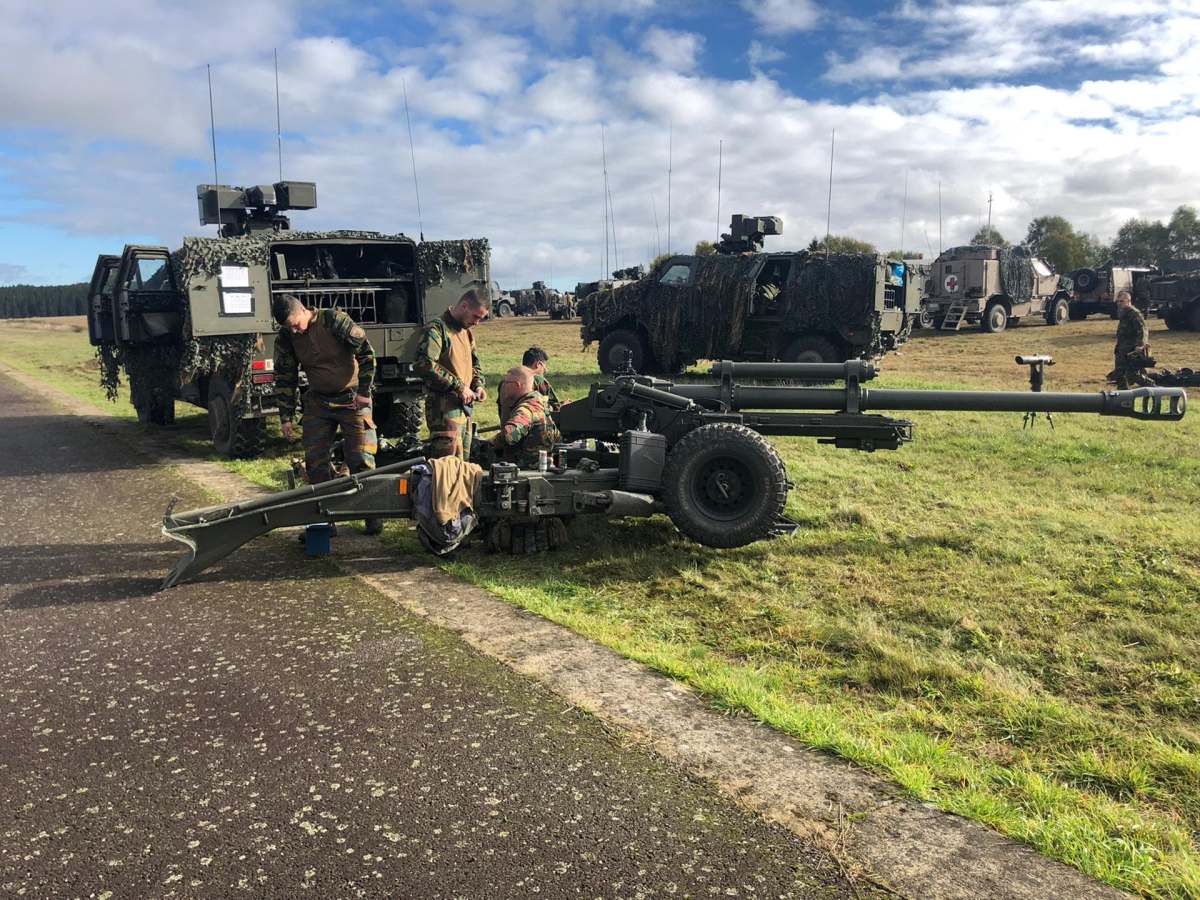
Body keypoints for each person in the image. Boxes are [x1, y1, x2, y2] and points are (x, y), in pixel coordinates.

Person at [273, 293, 381, 534]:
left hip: (352, 399)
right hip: (318, 403)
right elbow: (285, 376)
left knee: (360, 460)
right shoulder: (287, 336)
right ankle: (324, 521)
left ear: (303, 311)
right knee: (316, 463)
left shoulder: (334, 321)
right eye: (289, 328)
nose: (295, 331)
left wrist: (364, 391)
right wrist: (286, 417)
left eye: (295, 325)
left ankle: (372, 515)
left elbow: (367, 353)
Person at [415, 288, 489, 460]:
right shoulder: (436, 329)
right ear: (464, 306)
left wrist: (478, 385)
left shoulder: (467, 333)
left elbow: (474, 364)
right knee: (447, 469)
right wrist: (459, 386)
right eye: (476, 317)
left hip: (465, 411)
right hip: (444, 412)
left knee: (464, 467)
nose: (477, 322)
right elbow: (424, 364)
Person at [491, 366, 561, 468]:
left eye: (506, 383)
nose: (503, 386)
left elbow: (510, 435)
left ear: (517, 385)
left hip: (526, 466)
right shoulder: (539, 402)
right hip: (541, 462)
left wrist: (491, 442)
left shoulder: (526, 409)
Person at [1112, 289, 1151, 389]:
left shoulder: (1134, 314)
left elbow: (1142, 330)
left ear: (1129, 301)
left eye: (1122, 301)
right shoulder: (1123, 314)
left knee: (1134, 375)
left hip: (1131, 350)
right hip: (1122, 350)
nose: (1119, 303)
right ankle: (1122, 397)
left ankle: (1153, 388)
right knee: (1120, 375)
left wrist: (1140, 345)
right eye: (1118, 301)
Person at [522, 346, 561, 412]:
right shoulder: (538, 380)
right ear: (538, 364)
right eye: (544, 367)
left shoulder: (508, 379)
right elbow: (556, 408)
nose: (546, 370)